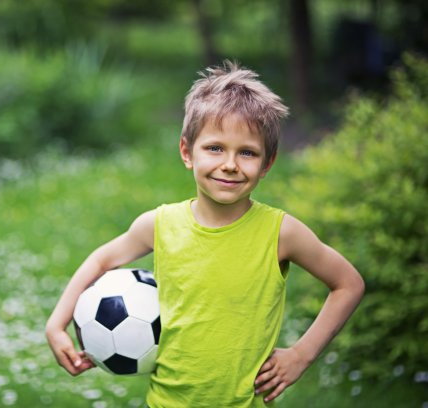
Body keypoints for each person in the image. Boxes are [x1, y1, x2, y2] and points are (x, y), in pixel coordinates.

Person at [45, 61, 364, 407]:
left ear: (267, 164)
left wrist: (302, 354)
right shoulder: (160, 224)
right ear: (187, 152)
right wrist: (57, 324)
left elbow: (348, 283)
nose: (230, 163)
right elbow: (101, 259)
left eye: (247, 152)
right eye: (215, 148)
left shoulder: (281, 233)